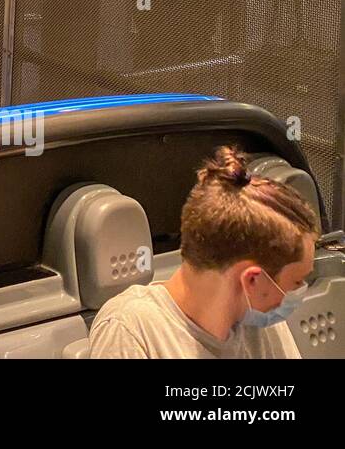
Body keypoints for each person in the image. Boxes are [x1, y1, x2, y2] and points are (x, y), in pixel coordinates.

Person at [89, 146, 318, 359]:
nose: (298, 291)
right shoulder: (129, 330)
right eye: (296, 281)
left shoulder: (260, 319)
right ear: (252, 280)